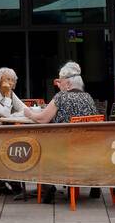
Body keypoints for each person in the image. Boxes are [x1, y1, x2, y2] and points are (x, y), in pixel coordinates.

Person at [28, 62, 99, 204]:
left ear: (67, 83)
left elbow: (42, 119)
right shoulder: (88, 97)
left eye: (60, 82)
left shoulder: (61, 97)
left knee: (39, 147)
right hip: (88, 147)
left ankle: (49, 186)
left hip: (65, 149)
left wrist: (28, 113)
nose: (58, 85)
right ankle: (94, 183)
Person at [0, 68, 29, 196]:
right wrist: (8, 96)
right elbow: (4, 113)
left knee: (23, 144)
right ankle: (9, 180)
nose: (11, 83)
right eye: (7, 79)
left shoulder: (12, 94)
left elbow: (24, 109)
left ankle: (5, 180)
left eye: (13, 80)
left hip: (5, 133)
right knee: (13, 147)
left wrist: (32, 112)